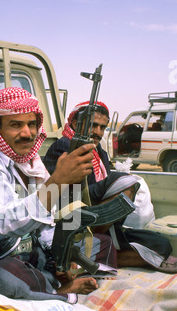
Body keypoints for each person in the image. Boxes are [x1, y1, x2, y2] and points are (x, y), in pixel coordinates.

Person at [0, 88, 119, 304]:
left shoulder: (32, 162)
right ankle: (57, 292)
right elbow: (7, 223)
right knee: (8, 282)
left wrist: (63, 255)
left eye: (31, 124)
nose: (27, 133)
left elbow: (46, 222)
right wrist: (58, 181)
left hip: (30, 251)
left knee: (102, 243)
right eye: (15, 125)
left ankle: (52, 283)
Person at [43, 100, 177, 274]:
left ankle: (103, 255)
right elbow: (60, 195)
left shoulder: (101, 153)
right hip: (72, 220)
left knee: (162, 245)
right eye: (93, 125)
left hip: (102, 222)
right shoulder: (64, 146)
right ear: (76, 124)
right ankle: (92, 248)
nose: (98, 132)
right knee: (124, 183)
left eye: (102, 127)